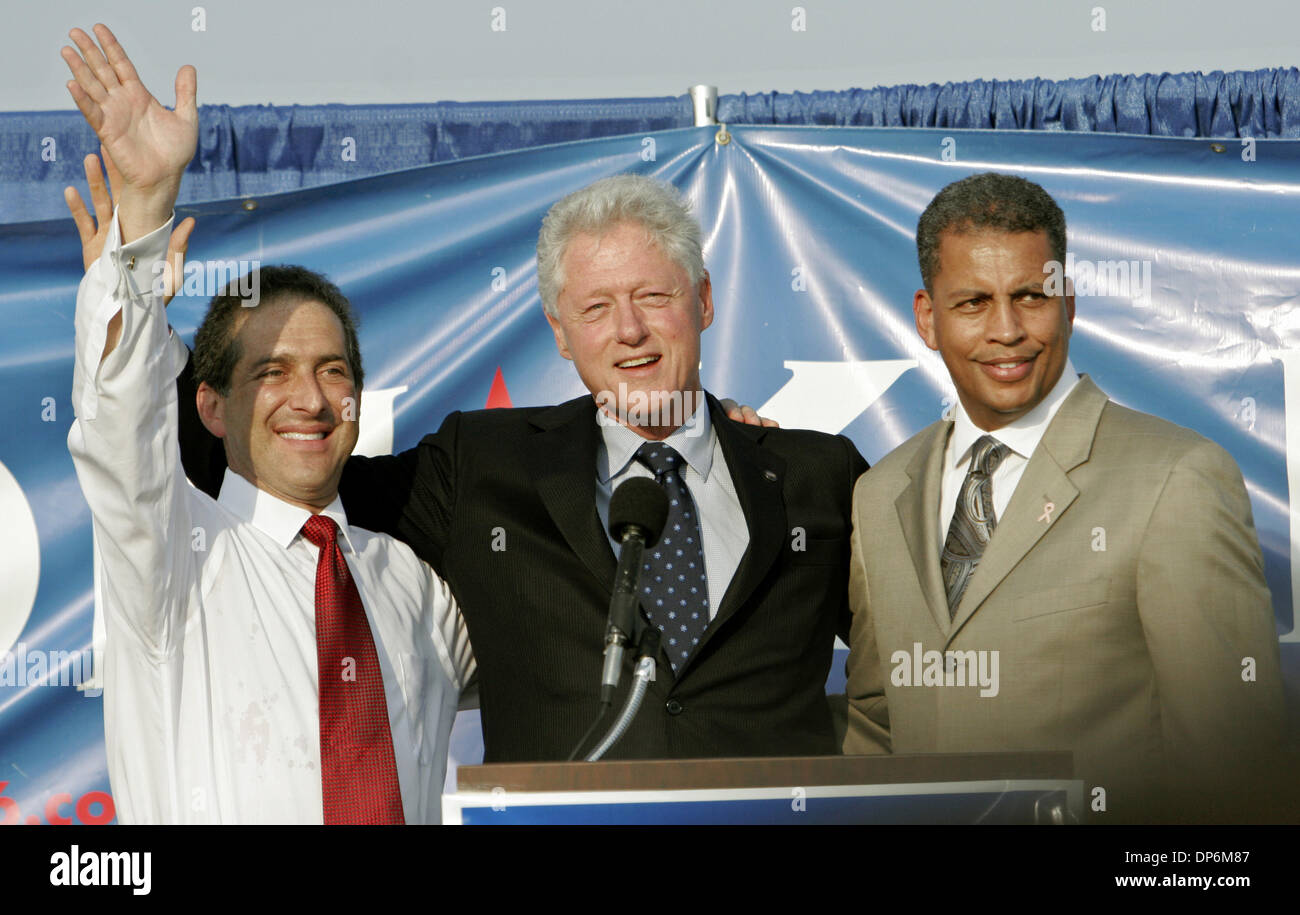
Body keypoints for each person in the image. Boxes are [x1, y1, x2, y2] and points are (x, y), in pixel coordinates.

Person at [179, 178, 869, 762]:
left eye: (654, 297)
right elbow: (241, 457)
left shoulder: (817, 474)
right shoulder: (479, 468)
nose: (629, 330)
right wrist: (142, 258)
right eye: (596, 308)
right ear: (560, 331)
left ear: (705, 302)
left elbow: (905, 678)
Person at [63, 24, 472, 823]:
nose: (310, 400)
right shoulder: (176, 556)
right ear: (210, 405)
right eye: (271, 373)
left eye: (332, 371)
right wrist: (145, 211)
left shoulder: (414, 587)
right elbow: (121, 427)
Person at [842, 171, 1289, 822]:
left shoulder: (1178, 478)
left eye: (1031, 296)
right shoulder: (881, 493)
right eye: (972, 303)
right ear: (927, 318)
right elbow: (876, 728)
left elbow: (1237, 771)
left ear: (1069, 305)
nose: (1007, 329)